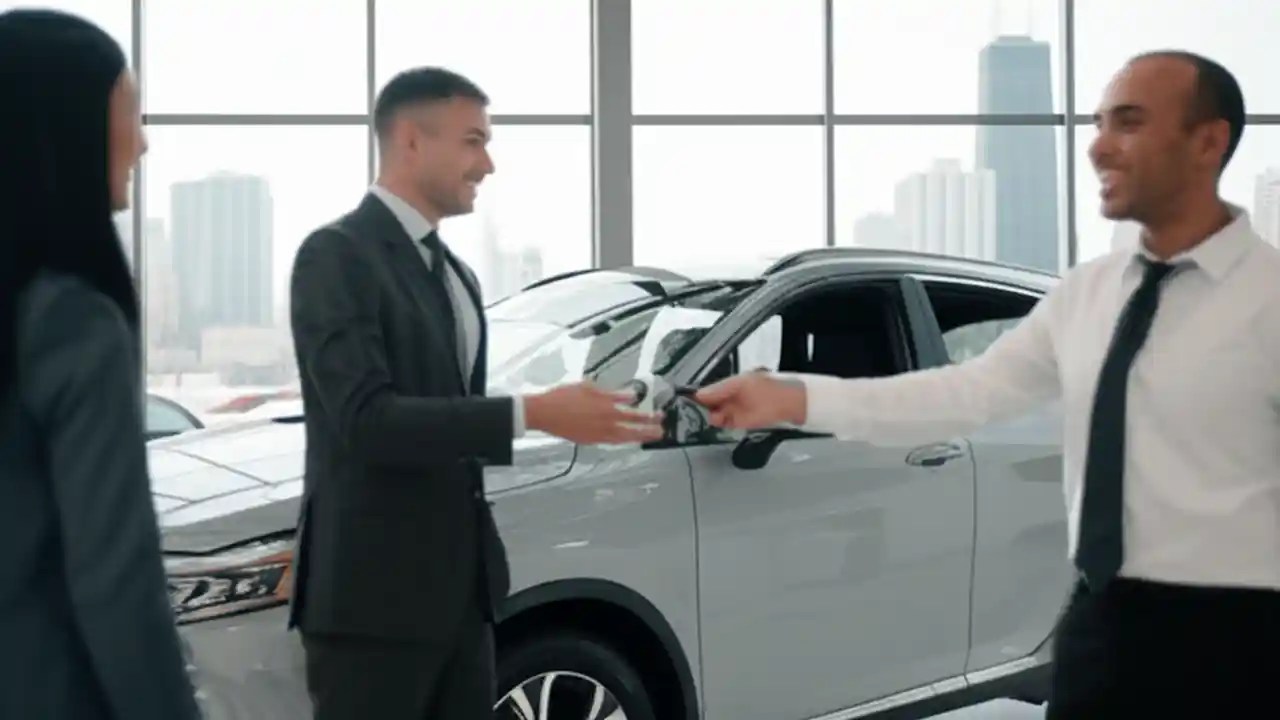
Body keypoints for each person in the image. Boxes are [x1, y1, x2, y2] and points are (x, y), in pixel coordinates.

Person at [696, 50, 1278, 716]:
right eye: (1097, 123)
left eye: (1130, 123)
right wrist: (797, 398)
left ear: (1209, 142)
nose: (1098, 148)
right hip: (1100, 622)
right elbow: (961, 393)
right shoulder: (1087, 295)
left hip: (1239, 633)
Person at [287, 66, 663, 719]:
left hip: (465, 600)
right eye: (472, 141)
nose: (487, 163)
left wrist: (568, 422)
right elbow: (366, 421)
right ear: (410, 139)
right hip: (372, 606)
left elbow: (451, 423)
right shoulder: (336, 255)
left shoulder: (456, 274)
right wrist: (536, 412)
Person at [0, 9, 202, 720]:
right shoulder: (70, 321)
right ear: (63, 125)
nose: (142, 143)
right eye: (129, 110)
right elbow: (115, 585)